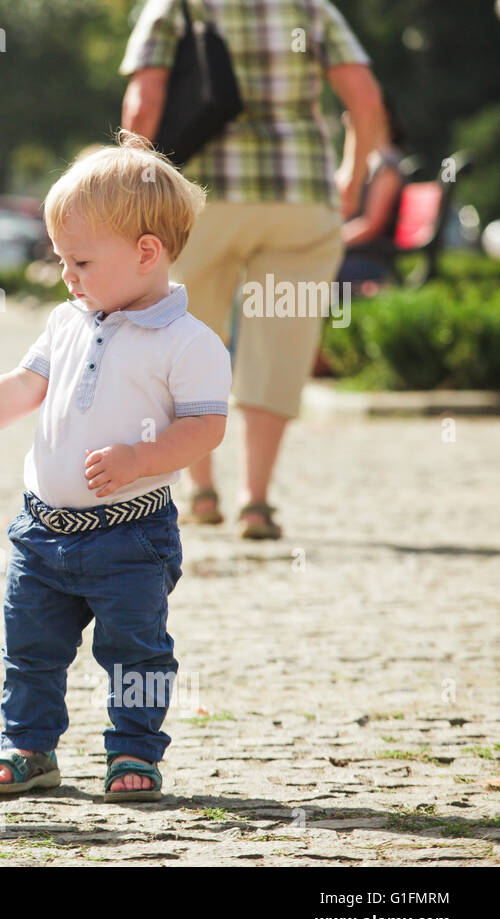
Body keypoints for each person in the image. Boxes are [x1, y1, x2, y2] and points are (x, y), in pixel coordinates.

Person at [0, 134, 231, 800]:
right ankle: (28, 746)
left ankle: (134, 752)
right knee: (29, 650)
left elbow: (206, 427)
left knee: (135, 652)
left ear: (148, 252)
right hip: (41, 532)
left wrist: (141, 458)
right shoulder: (67, 321)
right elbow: (23, 386)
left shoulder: (189, 342)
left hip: (130, 537)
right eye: (61, 259)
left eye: (81, 261)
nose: (67, 276)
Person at [121, 0, 388, 538]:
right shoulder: (311, 7)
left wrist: (131, 189)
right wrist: (352, 178)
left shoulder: (176, 5)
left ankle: (200, 492)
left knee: (185, 336)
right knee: (279, 346)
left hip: (196, 202)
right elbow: (364, 97)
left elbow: (144, 105)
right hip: (300, 199)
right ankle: (257, 501)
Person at [338, 101, 409, 288]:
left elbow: (371, 225)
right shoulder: (371, 163)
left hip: (368, 260)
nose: (347, 119)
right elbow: (343, 197)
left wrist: (327, 241)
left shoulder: (387, 166)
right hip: (356, 254)